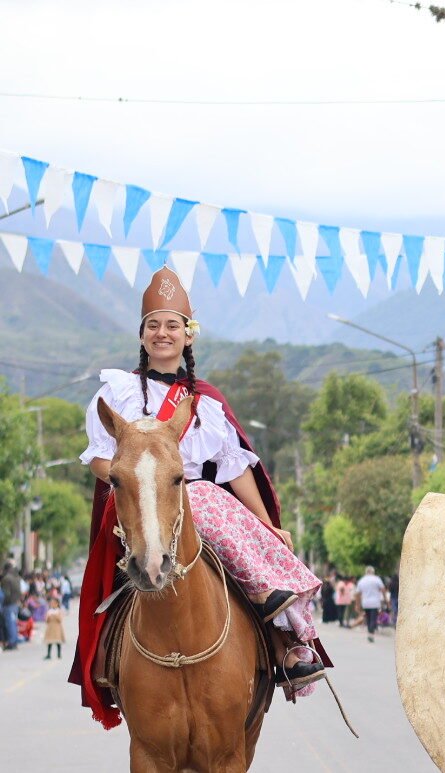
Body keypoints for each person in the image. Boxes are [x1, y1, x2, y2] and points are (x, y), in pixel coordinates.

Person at [72, 267, 329, 729]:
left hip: (193, 496)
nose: (162, 333)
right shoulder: (116, 393)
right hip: (134, 495)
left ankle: (284, 637)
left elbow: (235, 466)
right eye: (154, 325)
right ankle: (106, 656)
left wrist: (266, 522)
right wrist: (134, 476)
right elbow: (97, 458)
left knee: (207, 501)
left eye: (172, 325)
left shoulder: (206, 403)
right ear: (142, 335)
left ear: (187, 336)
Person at [355, 566, 388, 643]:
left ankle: (370, 633)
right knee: (373, 619)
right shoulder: (377, 579)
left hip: (365, 603)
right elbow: (383, 590)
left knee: (369, 618)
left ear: (366, 572)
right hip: (375, 603)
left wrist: (357, 605)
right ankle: (371, 634)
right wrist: (386, 600)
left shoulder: (362, 580)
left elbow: (357, 594)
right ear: (373, 572)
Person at [1, 562, 20, 650]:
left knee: (10, 624)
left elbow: (6, 593)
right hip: (15, 603)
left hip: (9, 604)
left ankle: (11, 643)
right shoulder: (16, 577)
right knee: (13, 623)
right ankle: (14, 641)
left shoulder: (6, 579)